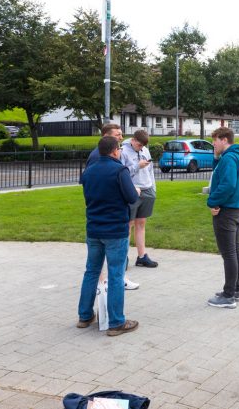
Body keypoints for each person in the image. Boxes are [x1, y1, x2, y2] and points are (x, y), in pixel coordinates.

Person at [76, 135, 141, 336]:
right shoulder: (119, 170)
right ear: (114, 151)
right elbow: (131, 198)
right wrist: (136, 191)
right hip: (115, 229)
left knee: (92, 271)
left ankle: (85, 315)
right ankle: (116, 322)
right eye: (119, 149)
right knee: (115, 274)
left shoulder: (89, 172)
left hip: (94, 228)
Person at [85, 123, 139, 291]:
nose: (121, 138)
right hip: (111, 224)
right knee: (104, 271)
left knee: (93, 270)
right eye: (117, 135)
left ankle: (86, 313)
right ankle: (105, 288)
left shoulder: (101, 164)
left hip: (97, 224)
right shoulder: (99, 160)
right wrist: (132, 191)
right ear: (106, 138)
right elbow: (101, 190)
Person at [206, 127, 239, 309]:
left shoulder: (229, 158)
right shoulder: (235, 156)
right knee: (235, 251)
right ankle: (235, 290)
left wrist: (212, 201)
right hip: (236, 209)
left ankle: (228, 295)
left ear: (224, 140)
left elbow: (227, 184)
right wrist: (216, 157)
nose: (213, 144)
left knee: (229, 253)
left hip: (227, 211)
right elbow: (220, 174)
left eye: (215, 140)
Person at [121, 129, 158, 268]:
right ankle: (123, 258)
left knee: (141, 223)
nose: (141, 148)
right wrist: (137, 166)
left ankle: (142, 256)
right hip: (132, 191)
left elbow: (150, 171)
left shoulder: (145, 151)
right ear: (133, 140)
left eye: (143, 146)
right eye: (139, 145)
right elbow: (121, 173)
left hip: (147, 189)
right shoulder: (123, 151)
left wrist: (153, 188)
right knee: (128, 224)